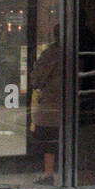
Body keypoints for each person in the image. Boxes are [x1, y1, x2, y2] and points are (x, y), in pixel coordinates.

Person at [28, 24, 63, 180]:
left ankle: (49, 174)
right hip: (72, 102)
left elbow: (36, 79)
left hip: (52, 102)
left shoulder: (51, 54)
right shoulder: (76, 52)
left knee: (48, 137)